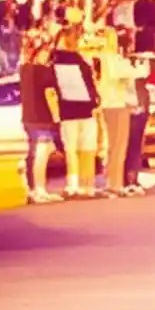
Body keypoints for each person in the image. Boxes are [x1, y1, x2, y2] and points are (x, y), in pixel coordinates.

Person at [51, 17, 104, 199]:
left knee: (71, 150)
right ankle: (87, 186)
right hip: (86, 110)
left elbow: (53, 86)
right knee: (88, 149)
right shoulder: (82, 62)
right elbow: (92, 86)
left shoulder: (55, 62)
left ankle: (72, 185)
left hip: (67, 111)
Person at [96, 27, 145, 196]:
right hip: (116, 104)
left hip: (110, 104)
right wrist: (143, 66)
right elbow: (129, 73)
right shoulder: (111, 58)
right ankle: (114, 184)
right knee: (118, 146)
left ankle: (113, 182)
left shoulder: (104, 58)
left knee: (113, 146)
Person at [19, 26, 62, 204]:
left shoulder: (25, 69)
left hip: (28, 117)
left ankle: (31, 189)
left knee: (33, 153)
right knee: (42, 153)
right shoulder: (44, 71)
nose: (48, 54)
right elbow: (52, 93)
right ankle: (40, 189)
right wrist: (57, 117)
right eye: (45, 50)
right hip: (42, 117)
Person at [121, 31, 150, 196]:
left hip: (129, 107)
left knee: (128, 146)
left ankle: (129, 179)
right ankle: (130, 179)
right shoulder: (135, 66)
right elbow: (141, 83)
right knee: (133, 147)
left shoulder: (130, 63)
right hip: (134, 108)